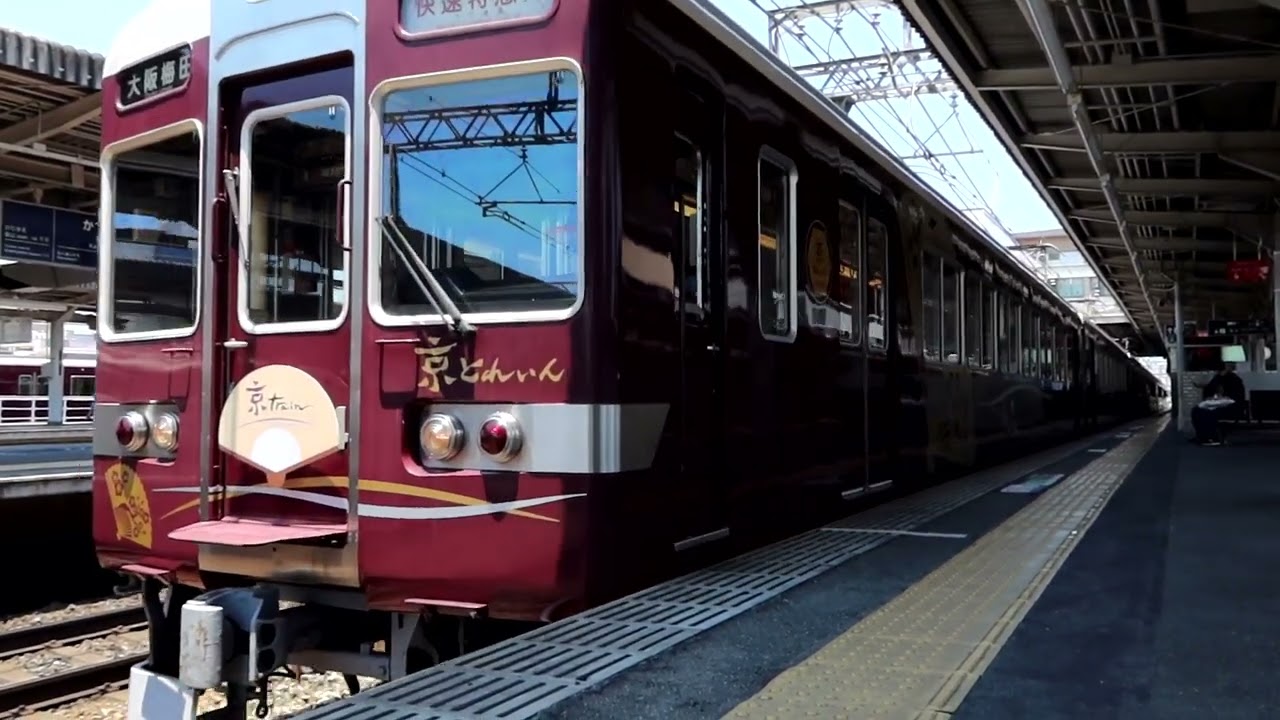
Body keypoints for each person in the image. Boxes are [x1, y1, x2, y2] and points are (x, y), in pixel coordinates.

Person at [1191, 363, 1246, 445]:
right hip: (1220, 404)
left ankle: (1212, 437)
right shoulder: (1218, 378)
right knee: (1196, 411)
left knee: (1209, 414)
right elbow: (1210, 388)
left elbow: (1236, 398)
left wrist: (1220, 398)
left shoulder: (1234, 380)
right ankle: (1202, 436)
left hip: (1232, 407)